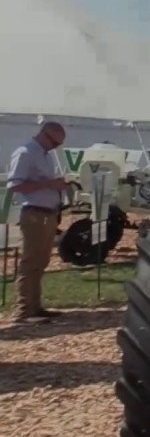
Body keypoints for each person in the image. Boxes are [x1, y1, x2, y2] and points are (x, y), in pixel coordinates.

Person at [5, 122, 69, 324]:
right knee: (30, 261)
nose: (55, 147)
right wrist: (48, 184)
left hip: (47, 213)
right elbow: (15, 185)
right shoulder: (25, 153)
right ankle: (23, 310)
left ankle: (35, 306)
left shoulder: (45, 155)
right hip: (34, 213)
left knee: (41, 261)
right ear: (44, 135)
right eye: (54, 143)